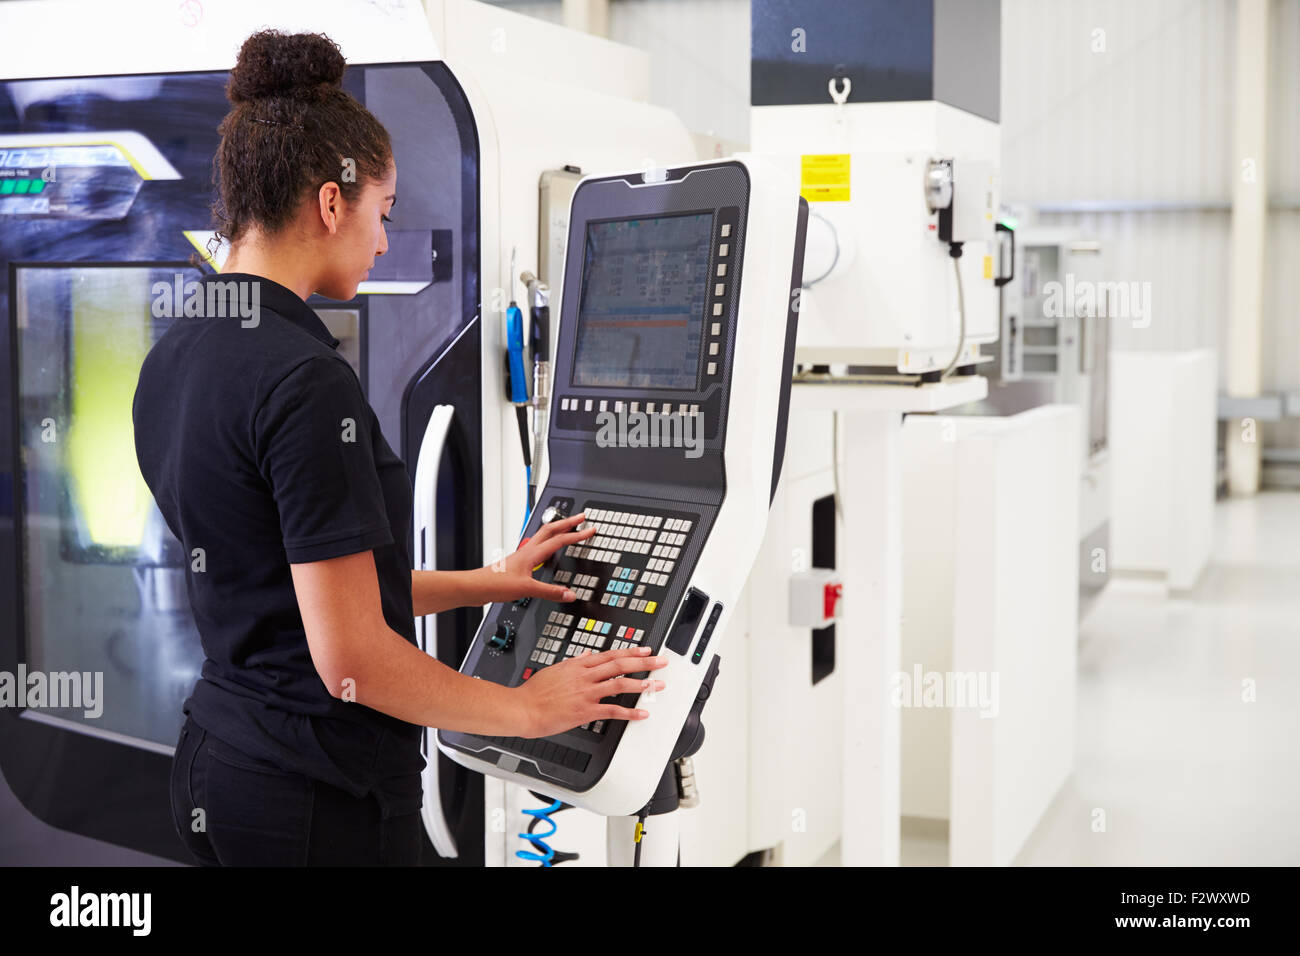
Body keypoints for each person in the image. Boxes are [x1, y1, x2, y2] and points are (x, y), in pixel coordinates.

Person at [132, 29, 666, 867]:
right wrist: (528, 706)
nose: (383, 241)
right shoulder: (302, 381)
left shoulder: (174, 356)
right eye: (383, 213)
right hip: (320, 799)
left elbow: (298, 586)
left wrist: (490, 580)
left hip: (219, 767)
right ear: (331, 203)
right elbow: (351, 658)